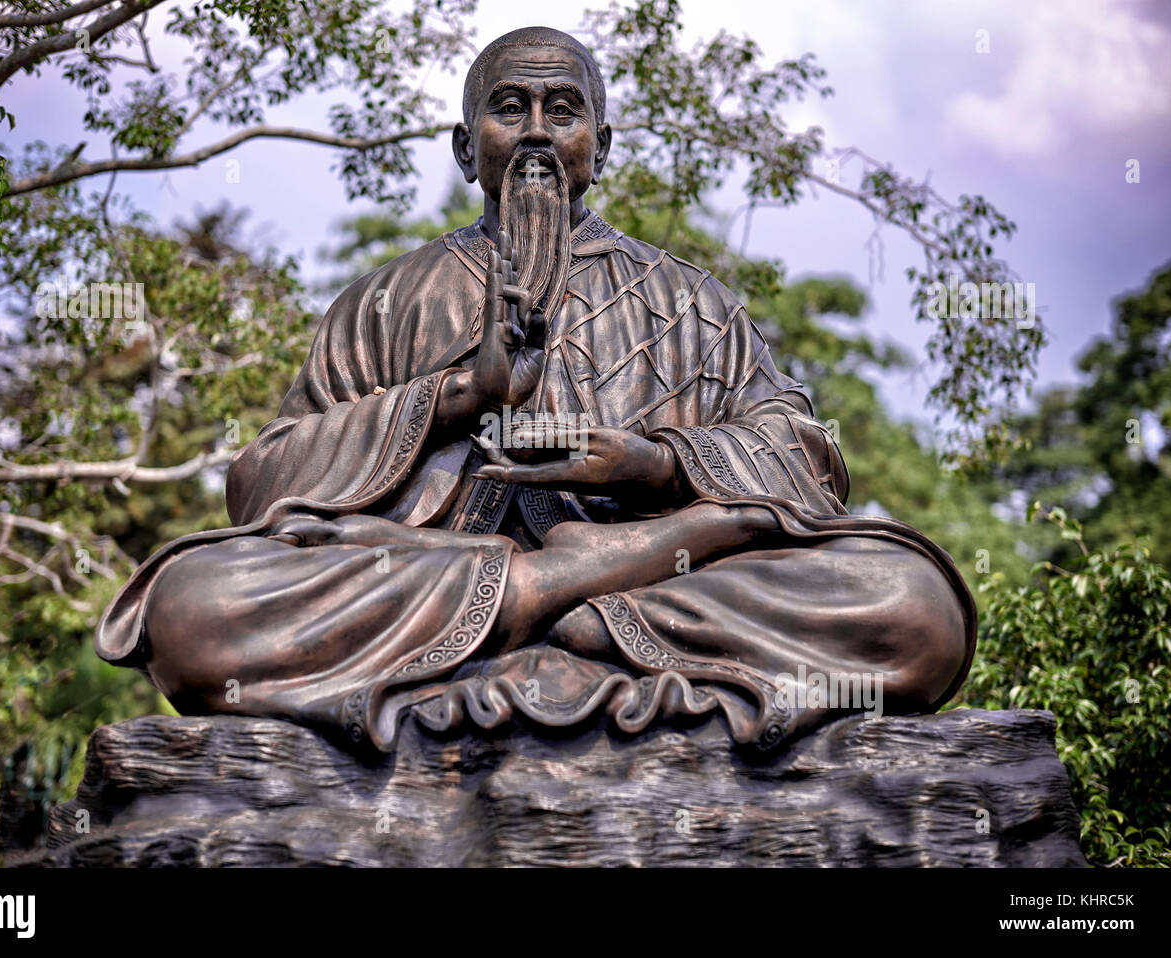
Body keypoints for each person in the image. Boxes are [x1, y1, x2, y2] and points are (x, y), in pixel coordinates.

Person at [96, 26, 975, 753]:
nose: (538, 132)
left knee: (915, 604)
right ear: (465, 143)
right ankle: (546, 594)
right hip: (428, 578)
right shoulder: (387, 299)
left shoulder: (692, 302)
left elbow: (808, 462)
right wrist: (454, 397)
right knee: (189, 608)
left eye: (565, 110)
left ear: (602, 144)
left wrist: (654, 465)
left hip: (657, 593)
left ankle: (556, 601)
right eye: (509, 108)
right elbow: (265, 484)